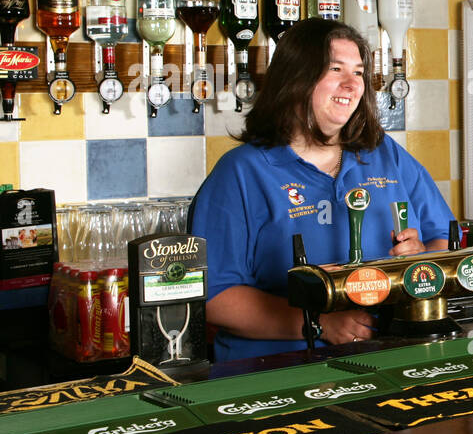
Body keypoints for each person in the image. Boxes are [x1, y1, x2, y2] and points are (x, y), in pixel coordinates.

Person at [190, 18, 453, 362]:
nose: (351, 84)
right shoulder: (241, 172)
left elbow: (446, 241)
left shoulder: (386, 155)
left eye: (358, 72)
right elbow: (215, 297)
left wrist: (420, 258)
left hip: (390, 358)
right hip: (277, 375)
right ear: (295, 78)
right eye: (336, 69)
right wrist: (317, 323)